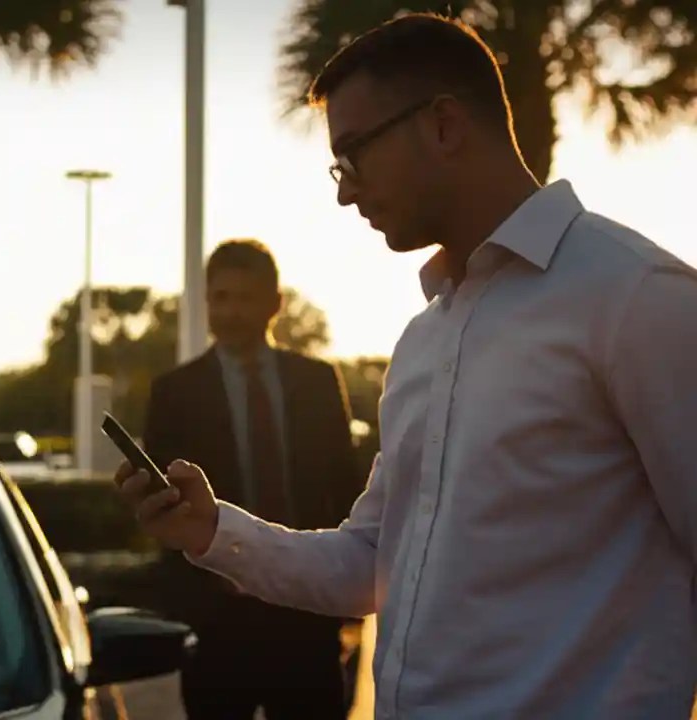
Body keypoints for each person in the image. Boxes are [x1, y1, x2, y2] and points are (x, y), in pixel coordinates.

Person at [116, 12, 697, 720]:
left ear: (444, 126)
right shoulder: (424, 342)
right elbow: (372, 565)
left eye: (353, 155)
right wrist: (212, 532)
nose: (344, 191)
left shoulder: (637, 298)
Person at [142, 238, 364, 719]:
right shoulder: (175, 393)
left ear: (274, 304)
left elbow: (346, 488)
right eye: (220, 298)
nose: (230, 311)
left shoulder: (318, 382)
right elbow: (161, 509)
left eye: (244, 298)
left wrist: (349, 601)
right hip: (218, 623)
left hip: (306, 619)